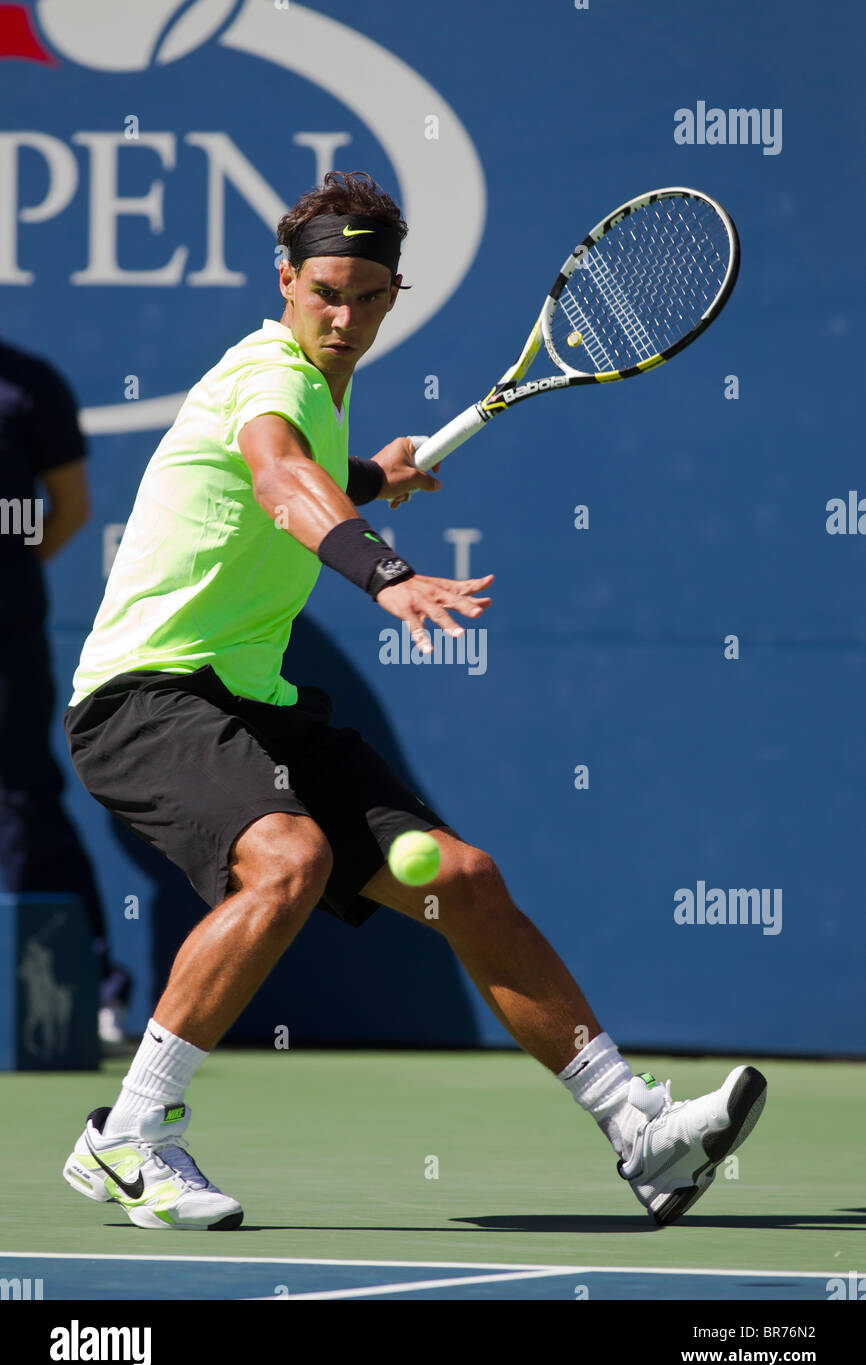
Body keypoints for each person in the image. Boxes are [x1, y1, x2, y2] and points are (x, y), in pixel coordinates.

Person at [60, 171, 766, 1231]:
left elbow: (307, 468)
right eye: (324, 292)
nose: (343, 318)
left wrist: (371, 473)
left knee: (465, 882)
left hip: (253, 703)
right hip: (146, 694)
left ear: (394, 294)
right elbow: (274, 478)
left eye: (367, 296)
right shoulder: (270, 371)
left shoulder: (313, 386)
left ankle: (640, 1132)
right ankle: (128, 1134)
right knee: (286, 859)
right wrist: (384, 569)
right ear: (285, 280)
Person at [0, 335, 132, 1050]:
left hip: (6, 641)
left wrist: (11, 583)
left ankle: (90, 991)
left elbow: (69, 509)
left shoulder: (29, 385)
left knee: (20, 801)